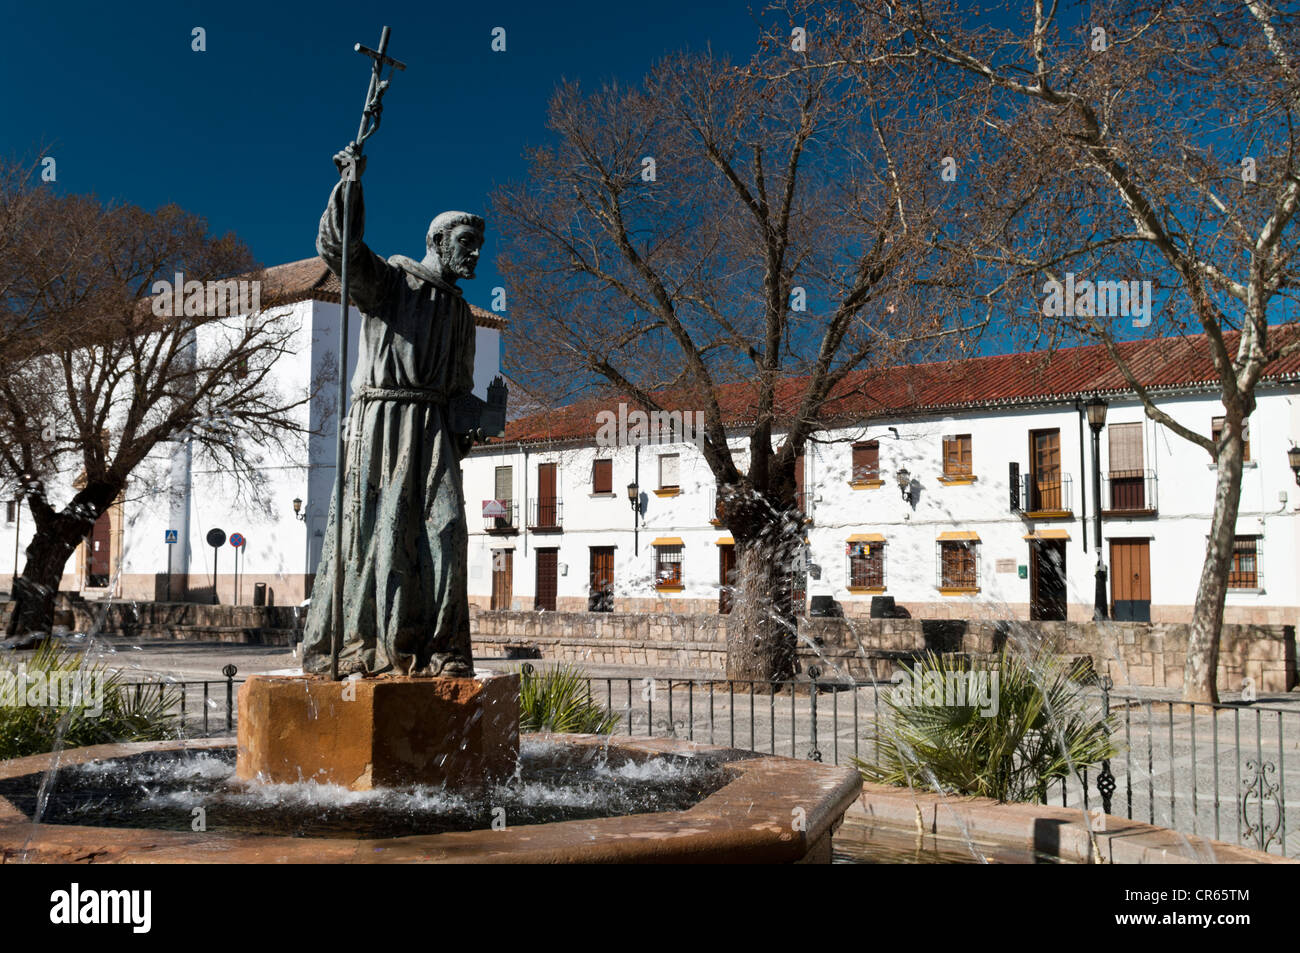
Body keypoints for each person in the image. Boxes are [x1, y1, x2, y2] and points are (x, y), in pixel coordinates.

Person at [301, 143, 484, 678]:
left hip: (435, 433)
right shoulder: (391, 283)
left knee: (448, 530)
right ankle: (373, 646)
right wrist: (351, 185)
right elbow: (341, 249)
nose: (475, 255)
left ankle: (443, 649)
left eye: (478, 246)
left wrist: (479, 417)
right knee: (381, 532)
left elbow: (457, 390)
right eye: (466, 244)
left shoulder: (461, 313)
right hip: (382, 424)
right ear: (437, 242)